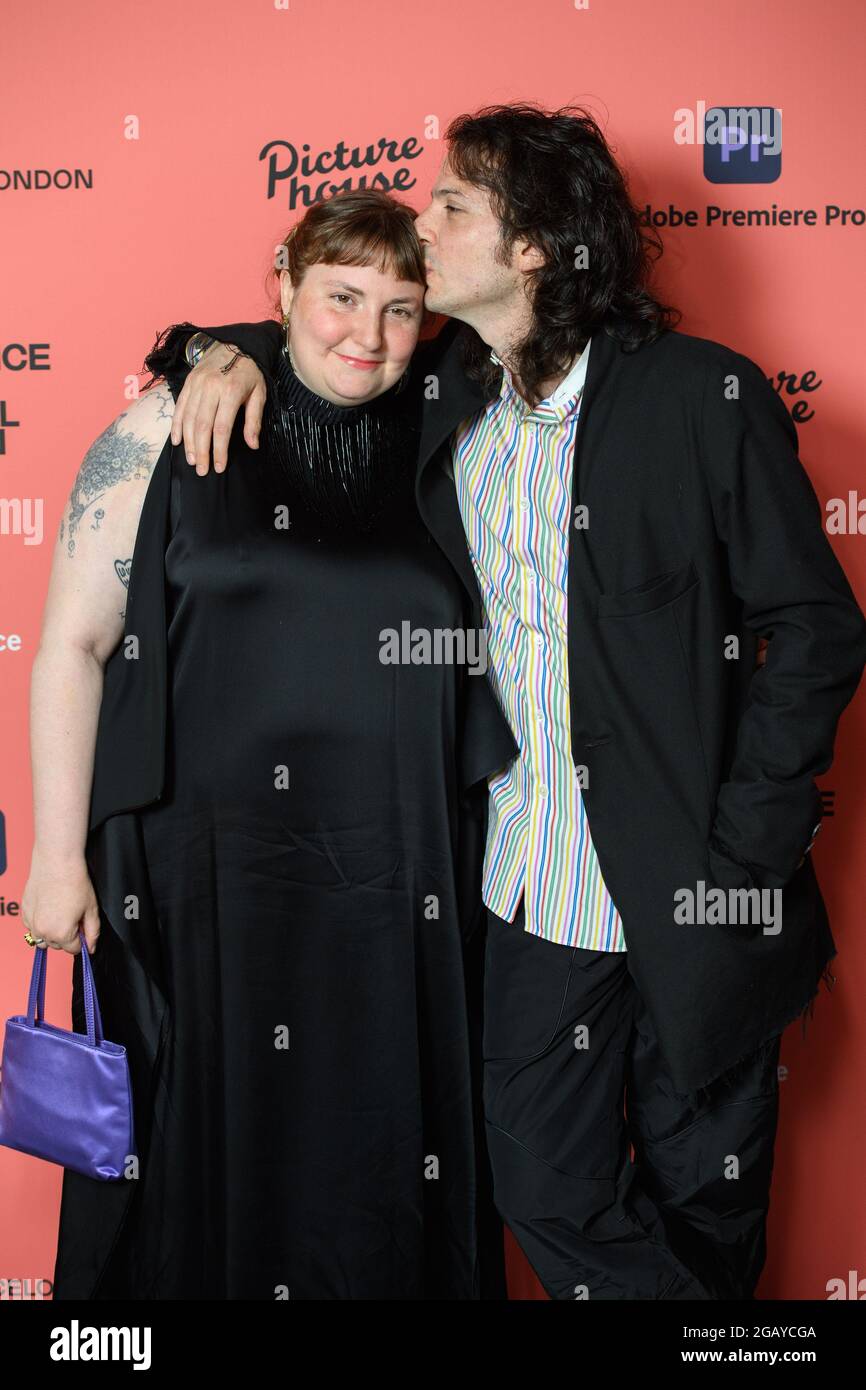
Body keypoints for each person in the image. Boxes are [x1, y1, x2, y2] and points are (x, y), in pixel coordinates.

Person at [156, 102, 866, 1301]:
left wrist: (742, 845)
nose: (417, 226)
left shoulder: (700, 396)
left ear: (531, 244)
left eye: (449, 207)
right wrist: (202, 352)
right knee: (538, 1183)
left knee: (707, 1204)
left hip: (696, 880)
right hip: (531, 885)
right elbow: (304, 331)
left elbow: (812, 626)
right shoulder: (444, 390)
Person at [23, 188, 519, 1300]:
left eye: (400, 308)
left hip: (399, 879)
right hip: (196, 871)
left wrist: (225, 344)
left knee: (377, 1143)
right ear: (280, 287)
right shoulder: (170, 421)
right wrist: (57, 856)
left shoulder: (450, 431)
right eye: (340, 297)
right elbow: (72, 648)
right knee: (191, 1139)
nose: (367, 334)